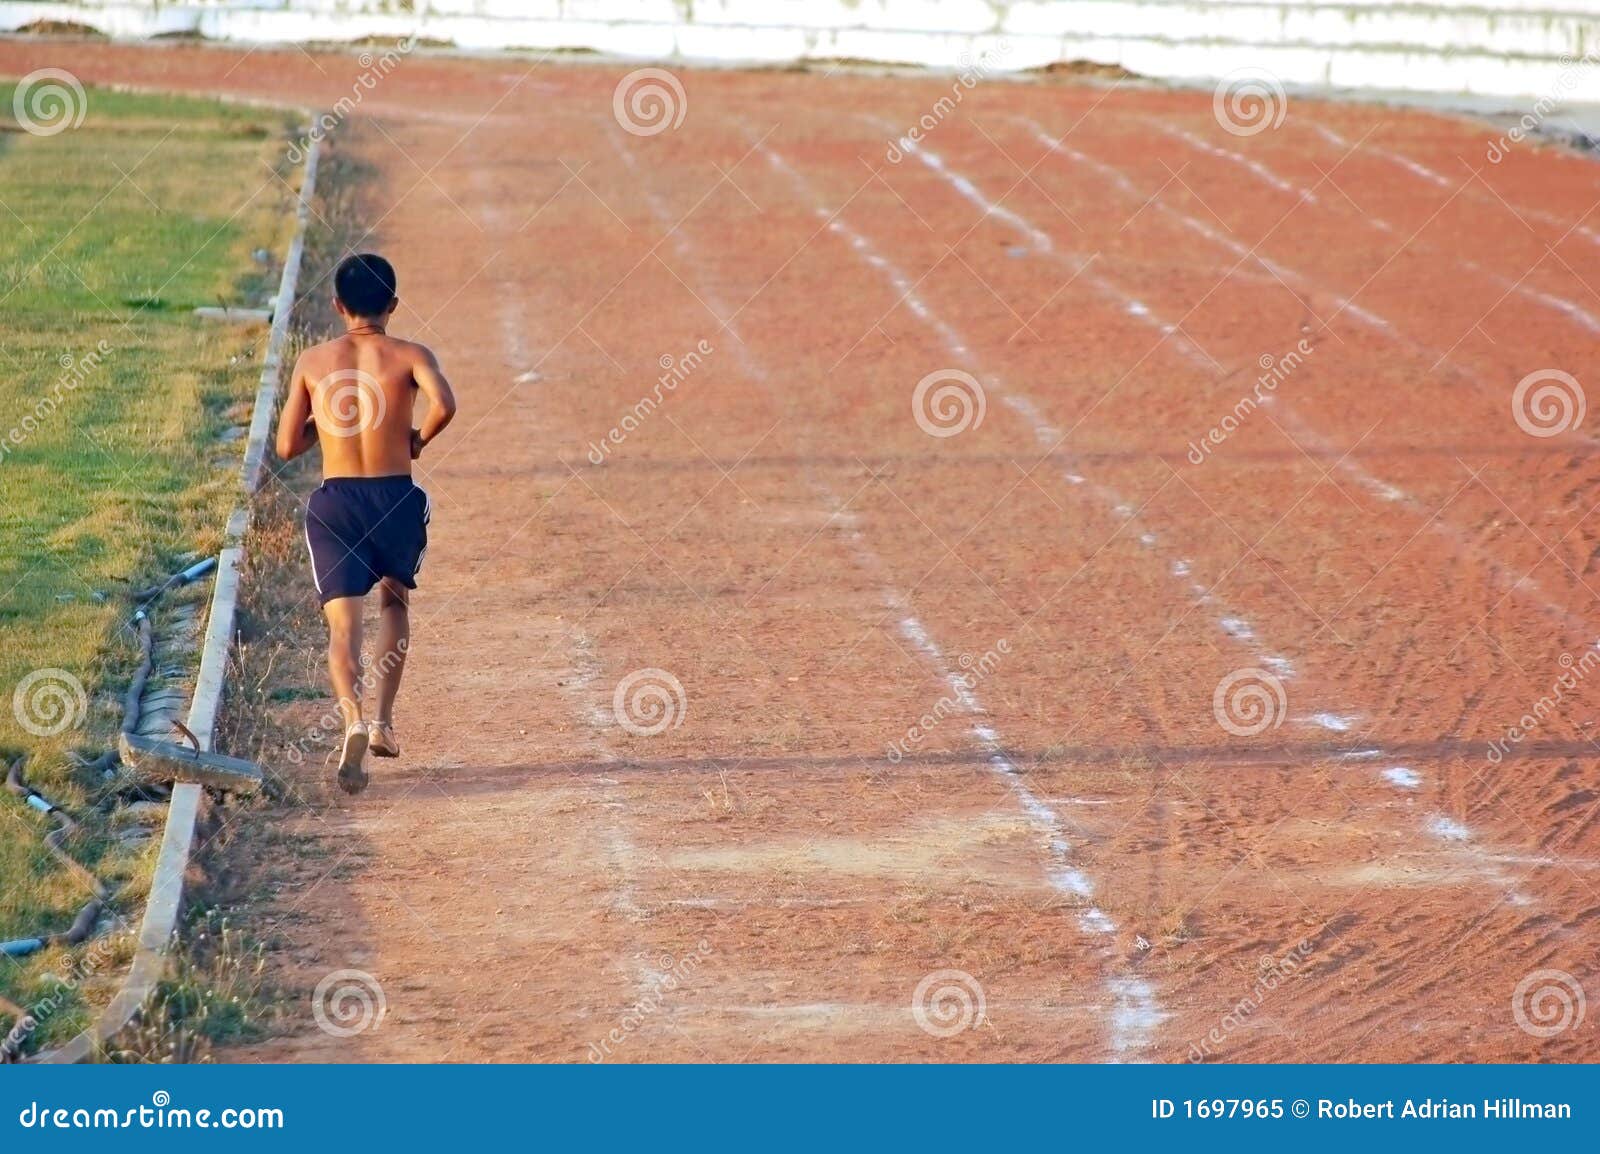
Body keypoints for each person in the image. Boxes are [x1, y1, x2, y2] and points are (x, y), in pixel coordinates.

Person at [275, 253, 457, 794]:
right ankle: (383, 722)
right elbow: (445, 403)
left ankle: (351, 717)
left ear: (337, 306)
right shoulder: (409, 354)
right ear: (393, 305)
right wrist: (418, 438)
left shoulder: (312, 361)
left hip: (336, 504)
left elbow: (287, 446)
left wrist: (326, 420)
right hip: (395, 497)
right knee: (394, 602)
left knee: (343, 628)